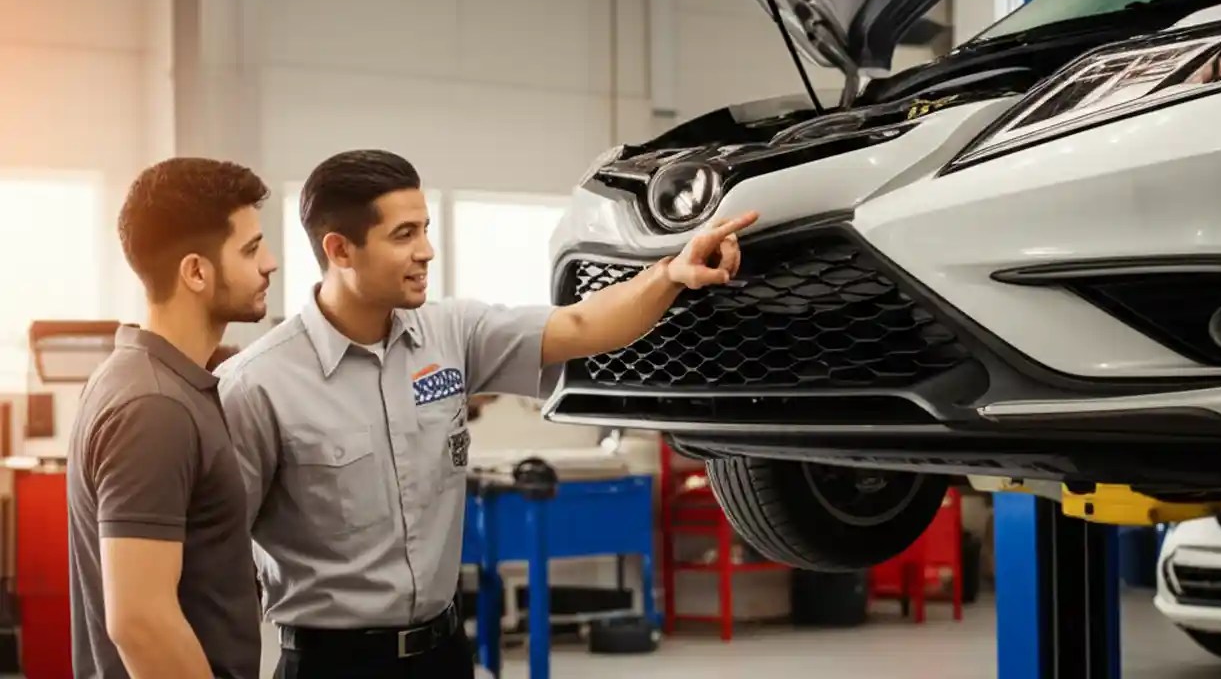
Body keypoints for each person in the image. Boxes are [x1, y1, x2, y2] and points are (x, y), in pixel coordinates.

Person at [214, 149, 757, 679]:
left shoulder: (453, 333)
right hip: (331, 664)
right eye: (404, 235)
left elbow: (582, 326)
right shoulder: (257, 384)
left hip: (443, 652)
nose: (427, 251)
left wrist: (671, 275)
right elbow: (216, 561)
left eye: (426, 228)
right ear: (340, 250)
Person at [66, 158, 279, 679]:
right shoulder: (155, 407)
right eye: (250, 249)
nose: (270, 263)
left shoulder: (156, 380)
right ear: (196, 272)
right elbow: (141, 622)